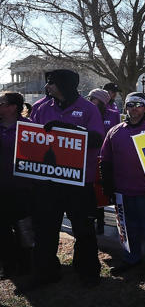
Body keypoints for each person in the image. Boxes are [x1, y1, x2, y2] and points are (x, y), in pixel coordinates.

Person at [24, 69, 105, 290]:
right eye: (47, 83)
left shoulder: (88, 109)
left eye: (52, 83)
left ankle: (87, 271)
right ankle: (45, 272)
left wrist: (71, 130)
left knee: (83, 230)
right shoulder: (41, 107)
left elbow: (98, 139)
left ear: (65, 85)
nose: (47, 87)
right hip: (48, 183)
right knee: (46, 229)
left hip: (78, 182)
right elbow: (29, 139)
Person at [100, 93, 145, 276]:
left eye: (138, 105)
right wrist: (107, 184)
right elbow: (105, 160)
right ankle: (131, 258)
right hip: (123, 191)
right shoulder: (115, 131)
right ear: (125, 107)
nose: (134, 108)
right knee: (128, 229)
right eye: (130, 105)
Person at [0, 92, 32, 278]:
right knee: (2, 229)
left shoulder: (29, 128)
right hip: (1, 187)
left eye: (1, 103)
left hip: (22, 188)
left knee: (23, 228)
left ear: (13, 107)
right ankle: (8, 265)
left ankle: (26, 264)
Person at [86, 88, 120, 235]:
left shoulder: (113, 114)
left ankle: (102, 220)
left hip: (105, 158)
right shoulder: (87, 112)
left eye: (95, 99)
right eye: (91, 98)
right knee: (91, 191)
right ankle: (93, 219)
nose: (92, 102)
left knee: (103, 191)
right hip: (89, 157)